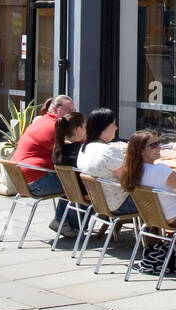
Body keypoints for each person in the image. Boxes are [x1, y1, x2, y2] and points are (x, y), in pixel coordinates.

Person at [11, 93, 76, 233]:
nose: (73, 114)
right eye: (69, 111)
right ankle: (64, 222)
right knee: (76, 184)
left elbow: (53, 145)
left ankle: (63, 221)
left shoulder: (41, 121)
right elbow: (65, 154)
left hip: (21, 179)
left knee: (71, 180)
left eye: (74, 110)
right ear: (55, 109)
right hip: (35, 182)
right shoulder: (54, 127)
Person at [76, 107, 138, 216]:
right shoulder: (109, 151)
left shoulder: (84, 148)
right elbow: (128, 181)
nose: (116, 127)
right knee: (159, 198)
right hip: (118, 204)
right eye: (114, 124)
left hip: (99, 202)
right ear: (104, 127)